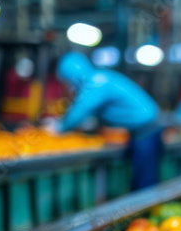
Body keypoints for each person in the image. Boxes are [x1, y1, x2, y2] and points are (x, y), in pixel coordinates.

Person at [56, 51, 162, 189]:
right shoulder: (99, 78)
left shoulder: (96, 82)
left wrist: (59, 128)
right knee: (143, 177)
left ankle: (147, 206)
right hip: (145, 129)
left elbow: (81, 110)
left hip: (146, 131)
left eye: (67, 81)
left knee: (145, 182)